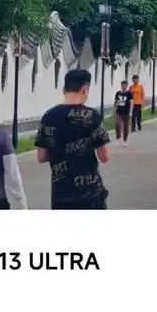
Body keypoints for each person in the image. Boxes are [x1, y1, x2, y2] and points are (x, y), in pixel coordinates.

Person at [35, 68, 110, 210]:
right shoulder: (92, 116)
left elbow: (41, 156)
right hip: (90, 193)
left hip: (61, 192)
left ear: (64, 90)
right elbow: (104, 156)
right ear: (85, 89)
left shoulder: (49, 116)